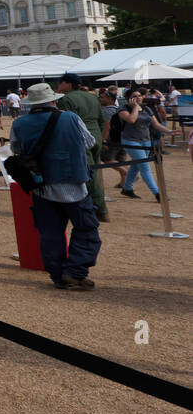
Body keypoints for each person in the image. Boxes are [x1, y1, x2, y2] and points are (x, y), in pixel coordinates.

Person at [10, 83, 101, 290]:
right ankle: (76, 271)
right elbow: (89, 142)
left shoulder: (19, 123)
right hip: (74, 182)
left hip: (41, 184)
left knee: (50, 233)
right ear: (53, 100)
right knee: (87, 229)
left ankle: (59, 275)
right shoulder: (70, 118)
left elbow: (17, 149)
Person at [56, 73, 107, 222]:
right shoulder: (92, 97)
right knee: (93, 171)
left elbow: (68, 122)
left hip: (80, 138)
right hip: (96, 134)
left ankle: (101, 208)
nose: (59, 86)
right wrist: (101, 138)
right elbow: (102, 120)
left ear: (68, 84)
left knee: (89, 175)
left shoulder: (66, 99)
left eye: (61, 83)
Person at [117, 88, 168, 201]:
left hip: (145, 140)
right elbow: (131, 120)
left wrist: (168, 131)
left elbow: (155, 124)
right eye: (135, 96)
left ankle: (127, 188)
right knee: (144, 167)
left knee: (136, 166)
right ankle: (158, 194)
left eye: (139, 95)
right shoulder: (123, 109)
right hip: (130, 141)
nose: (138, 97)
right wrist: (135, 107)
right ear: (129, 98)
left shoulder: (147, 109)